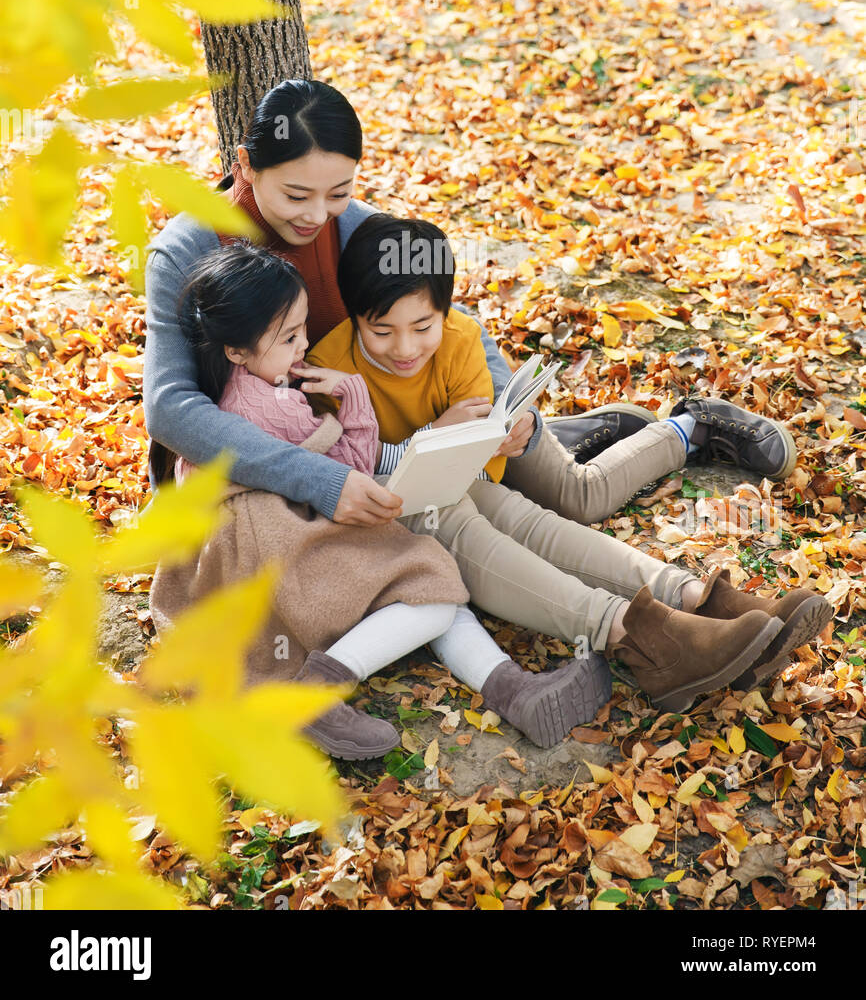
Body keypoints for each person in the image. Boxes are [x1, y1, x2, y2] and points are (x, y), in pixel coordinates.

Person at [305, 213, 833, 713]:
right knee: (468, 525)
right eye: (382, 332)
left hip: (462, 480)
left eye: (423, 326)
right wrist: (436, 436)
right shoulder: (327, 365)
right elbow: (345, 460)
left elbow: (481, 458)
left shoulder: (461, 339)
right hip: (388, 506)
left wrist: (498, 434)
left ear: (444, 310)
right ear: (355, 318)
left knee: (527, 519)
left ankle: (699, 599)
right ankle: (646, 641)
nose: (405, 348)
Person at [150, 239, 612, 757]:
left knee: (421, 579)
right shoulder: (273, 406)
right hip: (272, 543)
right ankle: (319, 692)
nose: (304, 345)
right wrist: (355, 395)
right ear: (236, 350)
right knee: (429, 589)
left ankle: (513, 689)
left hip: (257, 539)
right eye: (288, 338)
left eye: (303, 329)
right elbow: (353, 464)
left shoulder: (240, 389)